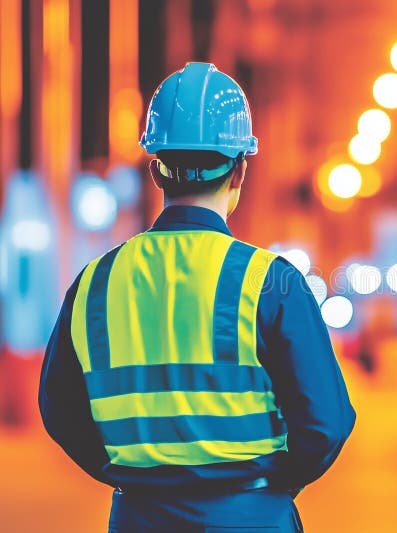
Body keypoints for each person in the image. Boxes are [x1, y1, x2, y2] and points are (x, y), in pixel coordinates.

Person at [39, 62, 356, 532]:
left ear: (156, 171)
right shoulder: (271, 282)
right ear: (240, 172)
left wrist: (132, 479)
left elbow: (59, 410)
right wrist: (270, 484)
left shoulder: (94, 283)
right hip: (249, 515)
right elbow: (326, 423)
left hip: (138, 516)